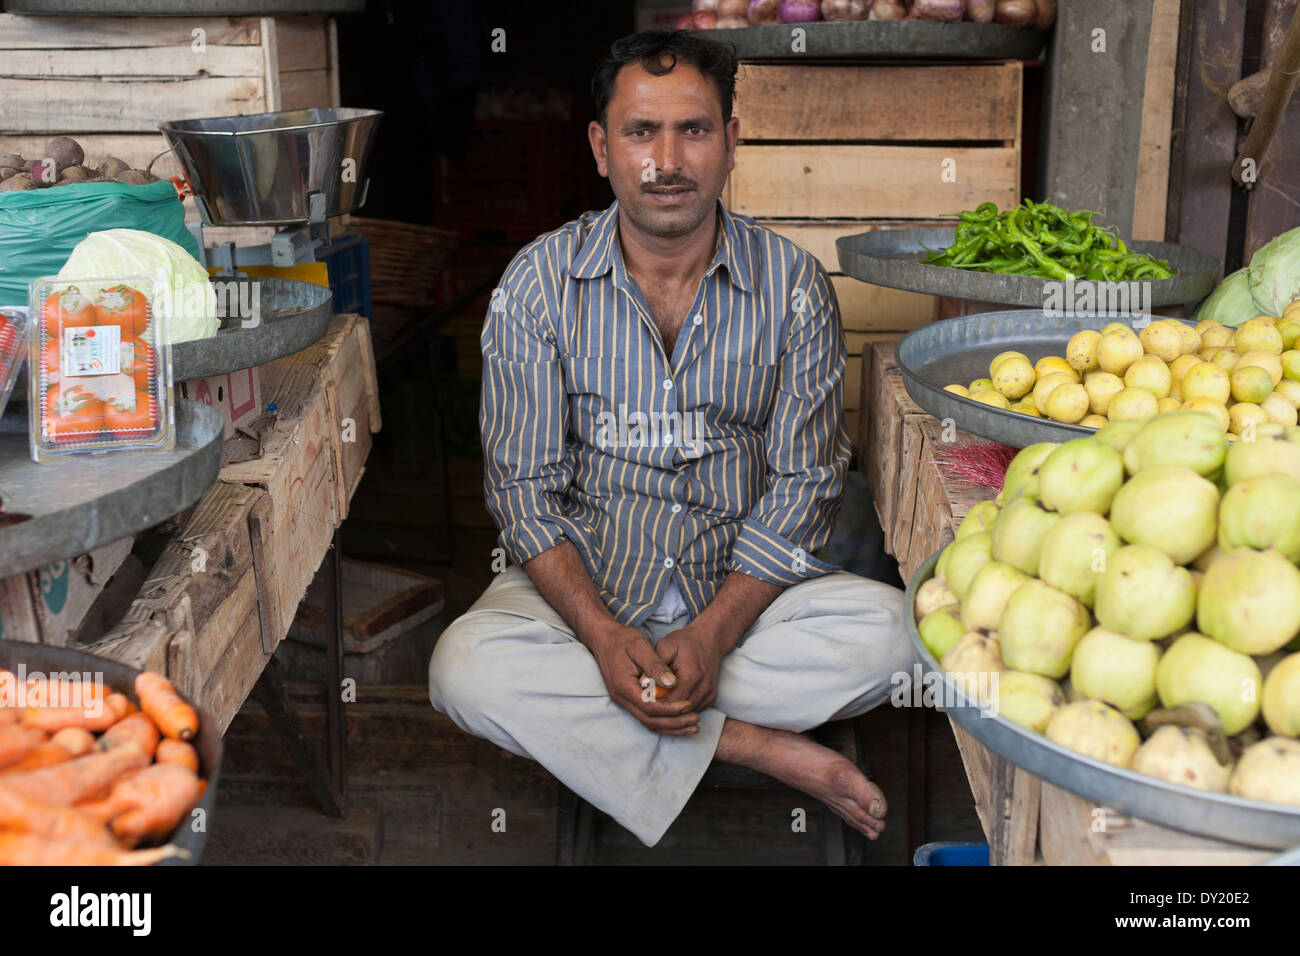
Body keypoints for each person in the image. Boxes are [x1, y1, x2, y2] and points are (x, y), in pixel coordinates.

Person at [429, 29, 916, 849]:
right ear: (600, 147)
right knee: (464, 668)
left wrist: (714, 632)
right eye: (639, 131)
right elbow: (522, 490)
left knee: (913, 634)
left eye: (693, 129)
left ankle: (628, 724)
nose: (667, 159)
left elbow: (807, 483)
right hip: (586, 602)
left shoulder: (792, 285)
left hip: (748, 604)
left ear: (731, 142)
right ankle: (759, 748)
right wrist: (604, 633)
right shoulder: (537, 284)